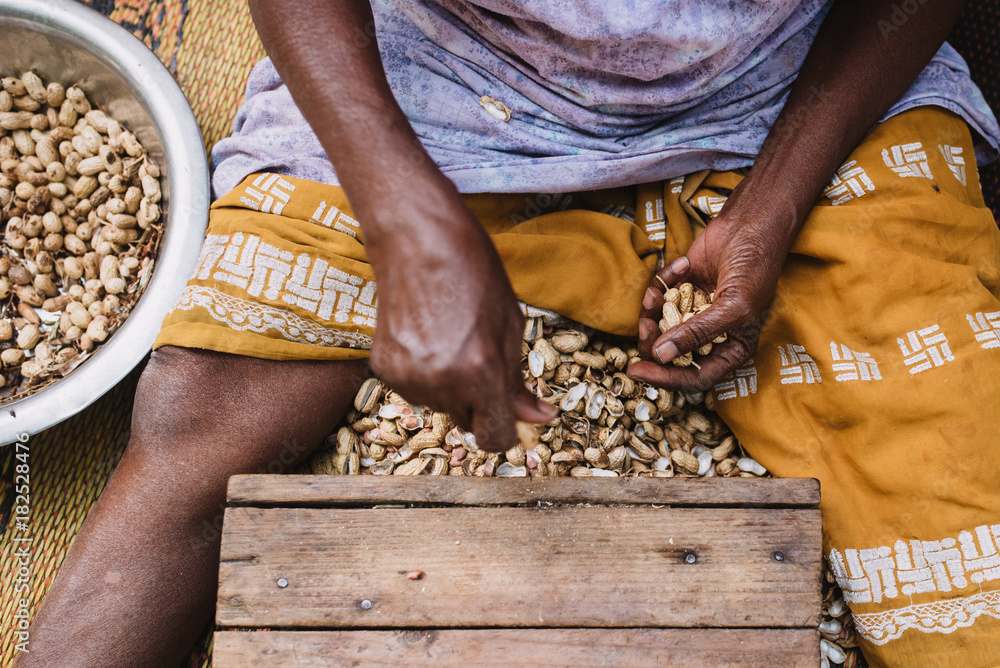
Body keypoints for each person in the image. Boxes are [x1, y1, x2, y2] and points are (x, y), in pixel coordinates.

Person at [17, 0, 1000, 666]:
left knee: (950, 481)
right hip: (435, 80)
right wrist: (403, 214)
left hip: (792, 84)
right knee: (204, 412)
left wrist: (774, 205)